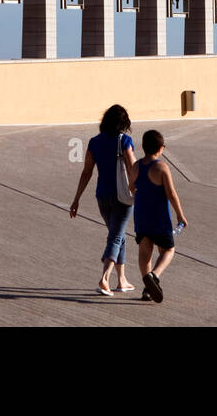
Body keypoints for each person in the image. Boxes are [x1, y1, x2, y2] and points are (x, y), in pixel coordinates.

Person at [69, 104, 137, 296]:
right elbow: (133, 170)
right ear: (123, 123)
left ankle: (122, 280)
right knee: (115, 237)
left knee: (118, 234)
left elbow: (86, 172)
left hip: (102, 197)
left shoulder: (94, 142)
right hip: (122, 197)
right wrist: (141, 192)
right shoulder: (124, 141)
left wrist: (76, 199)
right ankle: (105, 278)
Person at [130, 129, 187, 304]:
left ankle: (147, 288)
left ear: (143, 147)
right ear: (160, 148)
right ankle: (154, 276)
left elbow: (132, 187)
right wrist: (180, 215)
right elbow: (171, 193)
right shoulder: (162, 167)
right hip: (159, 218)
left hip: (141, 216)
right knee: (168, 249)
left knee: (144, 252)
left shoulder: (136, 166)